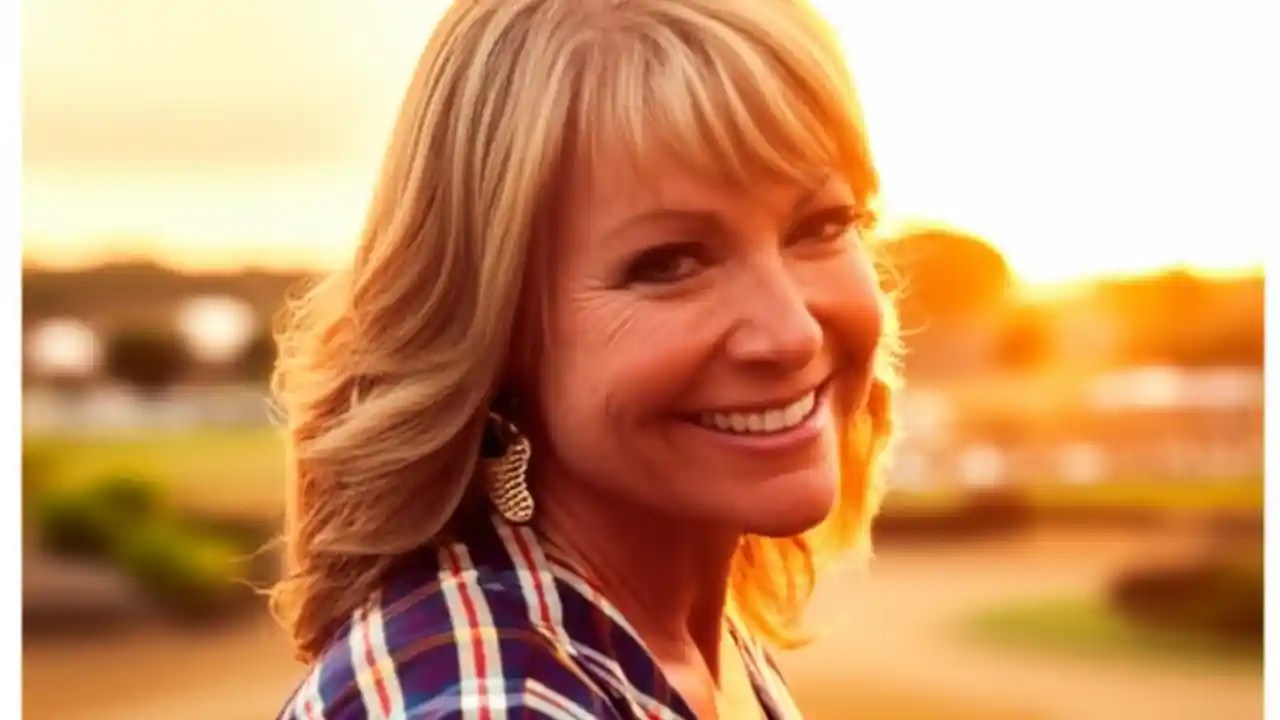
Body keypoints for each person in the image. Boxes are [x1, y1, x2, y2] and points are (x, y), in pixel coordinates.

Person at [271, 0, 900, 717]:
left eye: (823, 224)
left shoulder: (663, 637)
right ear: (494, 326)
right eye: (670, 263)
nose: (791, 333)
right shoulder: (496, 701)